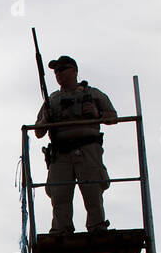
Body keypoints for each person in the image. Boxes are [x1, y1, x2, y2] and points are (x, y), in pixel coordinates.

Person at [33, 55, 118, 234]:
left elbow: (113, 117)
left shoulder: (92, 94)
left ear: (74, 71)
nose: (58, 74)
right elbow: (38, 132)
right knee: (59, 194)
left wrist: (97, 113)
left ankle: (97, 226)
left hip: (88, 150)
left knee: (93, 190)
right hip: (60, 153)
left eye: (62, 69)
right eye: (56, 71)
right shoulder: (53, 100)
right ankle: (61, 229)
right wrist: (46, 119)